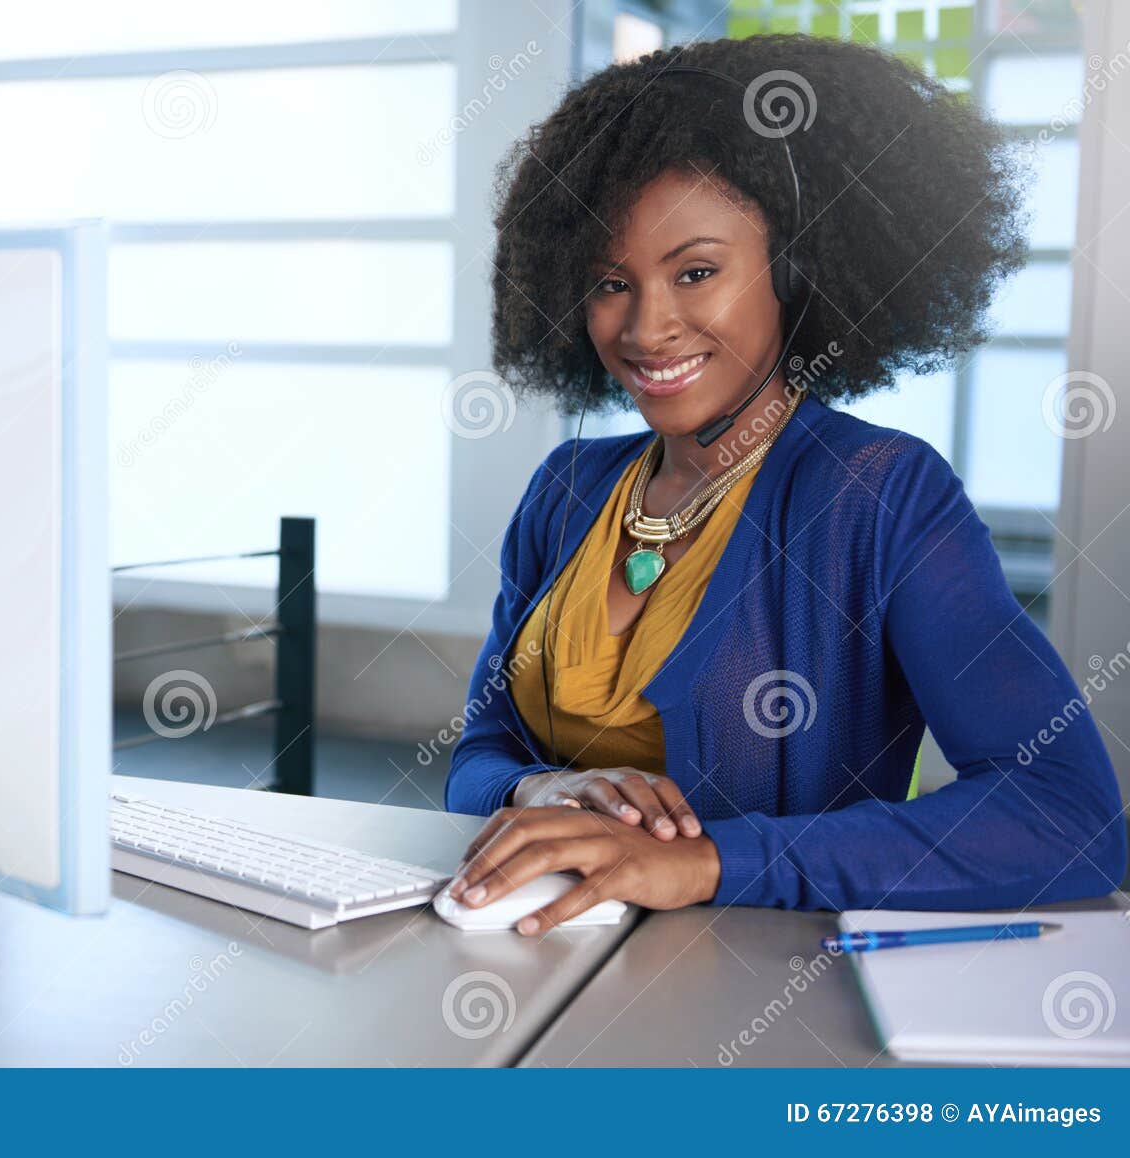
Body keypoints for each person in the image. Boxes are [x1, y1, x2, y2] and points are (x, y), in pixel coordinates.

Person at [443, 34, 1127, 934]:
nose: (648, 329)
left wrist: (702, 862)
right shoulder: (568, 489)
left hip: (758, 991)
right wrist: (543, 783)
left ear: (796, 272)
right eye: (613, 283)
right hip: (530, 959)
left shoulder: (880, 495)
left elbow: (1067, 816)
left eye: (697, 272)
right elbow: (477, 755)